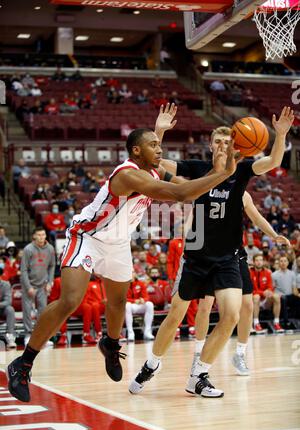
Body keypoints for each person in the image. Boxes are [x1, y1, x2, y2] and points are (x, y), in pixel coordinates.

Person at [7, 103, 239, 403]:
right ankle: (23, 363)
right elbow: (181, 194)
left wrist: (162, 134)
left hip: (117, 243)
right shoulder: (128, 175)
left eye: (160, 144)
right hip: (87, 237)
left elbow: (180, 180)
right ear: (136, 152)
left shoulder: (148, 169)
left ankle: (110, 343)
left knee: (117, 302)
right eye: (154, 145)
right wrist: (224, 173)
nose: (160, 148)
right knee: (70, 300)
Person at [129, 106, 294, 397]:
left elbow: (274, 160)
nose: (221, 145)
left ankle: (199, 375)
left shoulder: (241, 171)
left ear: (236, 145)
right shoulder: (195, 168)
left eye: (226, 141)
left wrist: (280, 134)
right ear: (210, 145)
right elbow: (152, 164)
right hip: (196, 253)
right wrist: (160, 132)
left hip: (227, 256)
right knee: (176, 315)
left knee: (231, 314)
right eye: (217, 141)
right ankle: (152, 364)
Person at [188, 191, 289, 379]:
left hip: (234, 254)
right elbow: (194, 220)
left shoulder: (242, 193)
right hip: (208, 254)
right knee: (205, 307)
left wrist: (274, 236)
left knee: (248, 305)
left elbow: (256, 217)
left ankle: (240, 354)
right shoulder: (205, 188)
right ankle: (198, 353)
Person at [20, 227, 55, 346]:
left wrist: (50, 282)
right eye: (38, 235)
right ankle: (28, 335)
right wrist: (28, 287)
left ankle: (41, 337)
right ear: (34, 236)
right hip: (29, 285)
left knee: (43, 312)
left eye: (43, 235)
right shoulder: (28, 249)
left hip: (42, 285)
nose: (41, 237)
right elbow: (23, 270)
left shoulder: (50, 249)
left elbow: (52, 266)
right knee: (27, 311)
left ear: (45, 235)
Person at [125, 272, 155, 341]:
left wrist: (143, 300)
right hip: (131, 306)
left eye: (132, 272)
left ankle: (147, 332)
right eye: (129, 272)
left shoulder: (141, 283)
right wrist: (134, 301)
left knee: (149, 304)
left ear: (135, 274)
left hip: (139, 305)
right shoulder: (124, 285)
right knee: (127, 305)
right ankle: (130, 333)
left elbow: (147, 297)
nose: (131, 274)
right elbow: (123, 299)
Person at [0, 269, 16, 348]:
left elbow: (8, 301)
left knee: (10, 309)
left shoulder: (6, 284)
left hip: (2, 308)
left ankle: (10, 336)